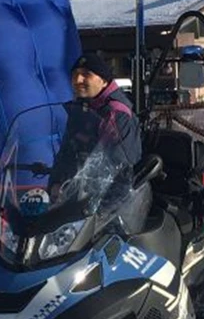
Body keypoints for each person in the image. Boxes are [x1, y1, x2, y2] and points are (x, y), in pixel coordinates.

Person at [50, 52, 142, 214]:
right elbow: (67, 152)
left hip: (110, 209)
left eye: (86, 75)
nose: (78, 80)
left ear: (104, 81)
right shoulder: (80, 110)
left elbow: (122, 171)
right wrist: (55, 183)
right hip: (79, 198)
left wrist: (100, 213)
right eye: (75, 75)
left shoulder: (115, 113)